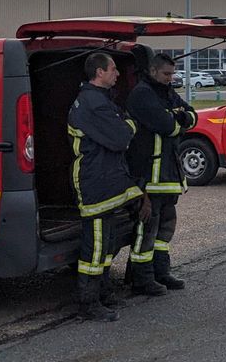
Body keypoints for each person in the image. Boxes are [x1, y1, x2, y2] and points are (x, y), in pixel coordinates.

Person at [67, 52, 149, 321]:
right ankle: (88, 303)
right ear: (99, 73)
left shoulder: (100, 100)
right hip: (95, 182)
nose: (117, 74)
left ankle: (103, 292)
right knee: (96, 245)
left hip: (106, 180)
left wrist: (124, 123)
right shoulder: (93, 103)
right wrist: (128, 123)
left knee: (107, 242)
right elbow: (121, 137)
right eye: (113, 69)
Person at [123, 52, 197, 296]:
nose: (170, 78)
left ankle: (161, 271)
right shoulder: (143, 94)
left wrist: (180, 118)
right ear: (153, 71)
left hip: (168, 176)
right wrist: (178, 120)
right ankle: (141, 279)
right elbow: (168, 125)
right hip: (149, 176)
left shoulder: (166, 92)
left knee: (165, 228)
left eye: (172, 74)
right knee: (147, 229)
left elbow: (191, 116)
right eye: (166, 74)